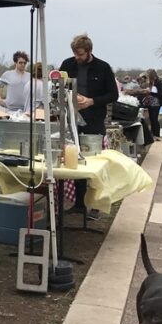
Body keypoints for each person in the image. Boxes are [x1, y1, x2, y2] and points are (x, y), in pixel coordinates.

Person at [59, 33, 118, 217]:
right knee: (74, 159)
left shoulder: (103, 68)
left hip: (94, 120)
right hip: (72, 120)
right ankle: (78, 202)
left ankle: (95, 204)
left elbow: (113, 95)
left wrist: (92, 101)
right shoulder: (67, 65)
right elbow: (58, 88)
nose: (78, 58)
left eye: (81, 55)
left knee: (94, 161)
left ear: (89, 52)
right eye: (75, 54)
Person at [145, 68, 162, 139]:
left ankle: (156, 134)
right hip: (151, 102)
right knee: (151, 118)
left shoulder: (157, 82)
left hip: (156, 102)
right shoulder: (151, 82)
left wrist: (150, 92)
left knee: (154, 118)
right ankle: (153, 133)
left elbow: (160, 93)